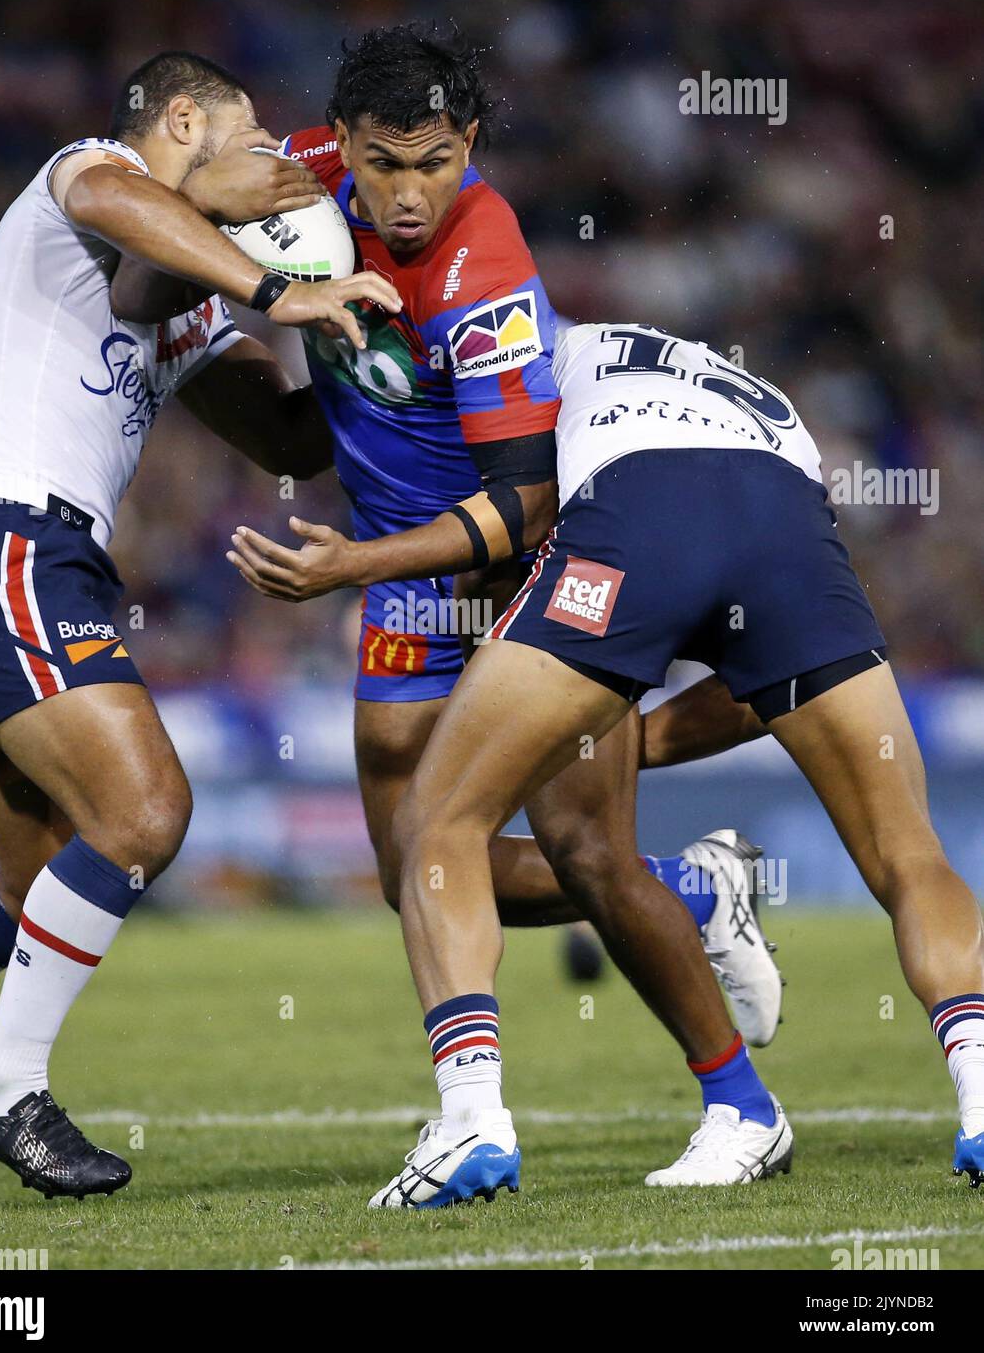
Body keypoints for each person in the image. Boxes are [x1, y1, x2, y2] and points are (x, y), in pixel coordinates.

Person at [204, 26, 788, 1201]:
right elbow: (202, 180)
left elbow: (520, 503)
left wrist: (348, 565)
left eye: (432, 163)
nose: (407, 194)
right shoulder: (319, 170)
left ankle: (730, 1103)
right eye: (383, 164)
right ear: (346, 145)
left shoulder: (483, 267)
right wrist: (244, 257)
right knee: (407, 862)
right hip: (397, 574)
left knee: (579, 850)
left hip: (508, 564)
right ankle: (699, 891)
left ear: (466, 144)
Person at [0, 50, 400, 1199]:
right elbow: (121, 203)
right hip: (5, 545)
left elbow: (284, 442)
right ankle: (3, 1087)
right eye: (252, 140)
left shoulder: (178, 303)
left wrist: (363, 350)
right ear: (181, 120)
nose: (275, 167)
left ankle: (0, 1077)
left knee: (33, 891)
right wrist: (284, 290)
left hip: (13, 564)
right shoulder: (90, 170)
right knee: (145, 811)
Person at [384, 320, 984, 1199]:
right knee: (908, 851)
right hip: (785, 515)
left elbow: (510, 520)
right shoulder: (754, 399)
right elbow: (759, 687)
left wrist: (359, 565)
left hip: (638, 507)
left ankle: (473, 1119)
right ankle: (975, 1096)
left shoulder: (521, 352)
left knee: (437, 825)